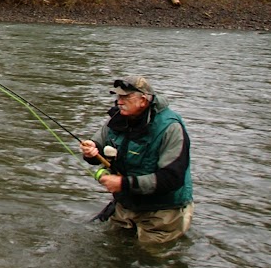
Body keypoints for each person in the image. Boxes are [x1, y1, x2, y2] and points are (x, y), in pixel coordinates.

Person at [79, 75, 193, 245]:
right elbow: (98, 146)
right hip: (126, 204)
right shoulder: (117, 118)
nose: (119, 102)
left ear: (143, 100)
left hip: (163, 211)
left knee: (153, 258)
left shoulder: (170, 127)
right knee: (113, 250)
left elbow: (172, 178)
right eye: (118, 97)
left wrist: (123, 184)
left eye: (126, 97)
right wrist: (90, 151)